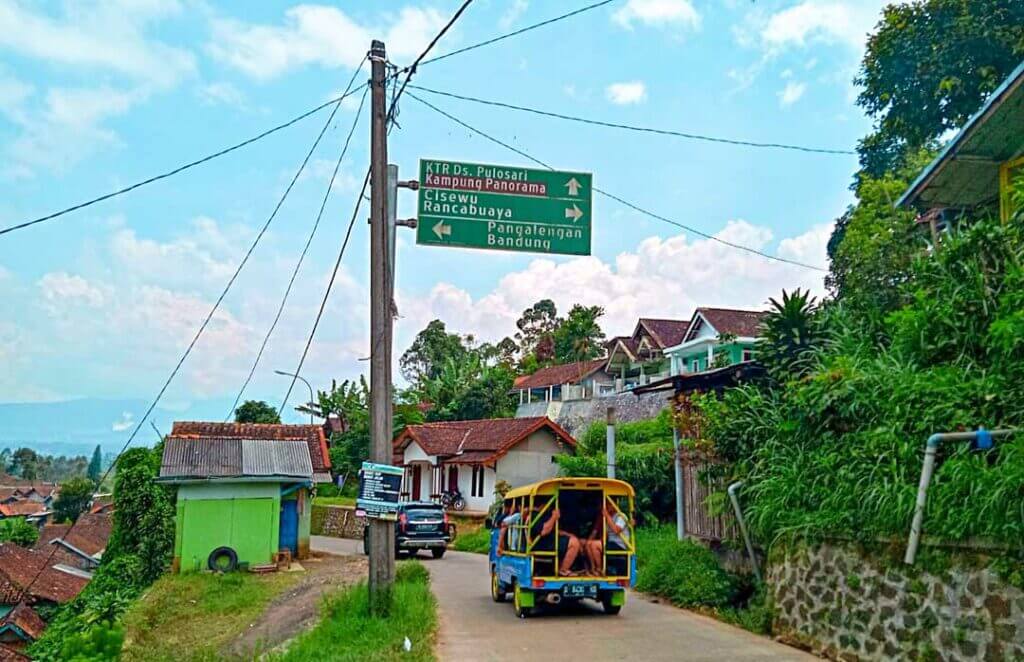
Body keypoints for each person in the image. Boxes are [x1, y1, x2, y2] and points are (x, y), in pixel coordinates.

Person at [530, 506, 582, 576]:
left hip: (550, 541)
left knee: (577, 540)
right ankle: (563, 570)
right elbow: (543, 531)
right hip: (540, 544)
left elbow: (555, 530)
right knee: (574, 543)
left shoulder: (545, 514)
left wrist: (570, 535)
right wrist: (554, 517)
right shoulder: (534, 515)